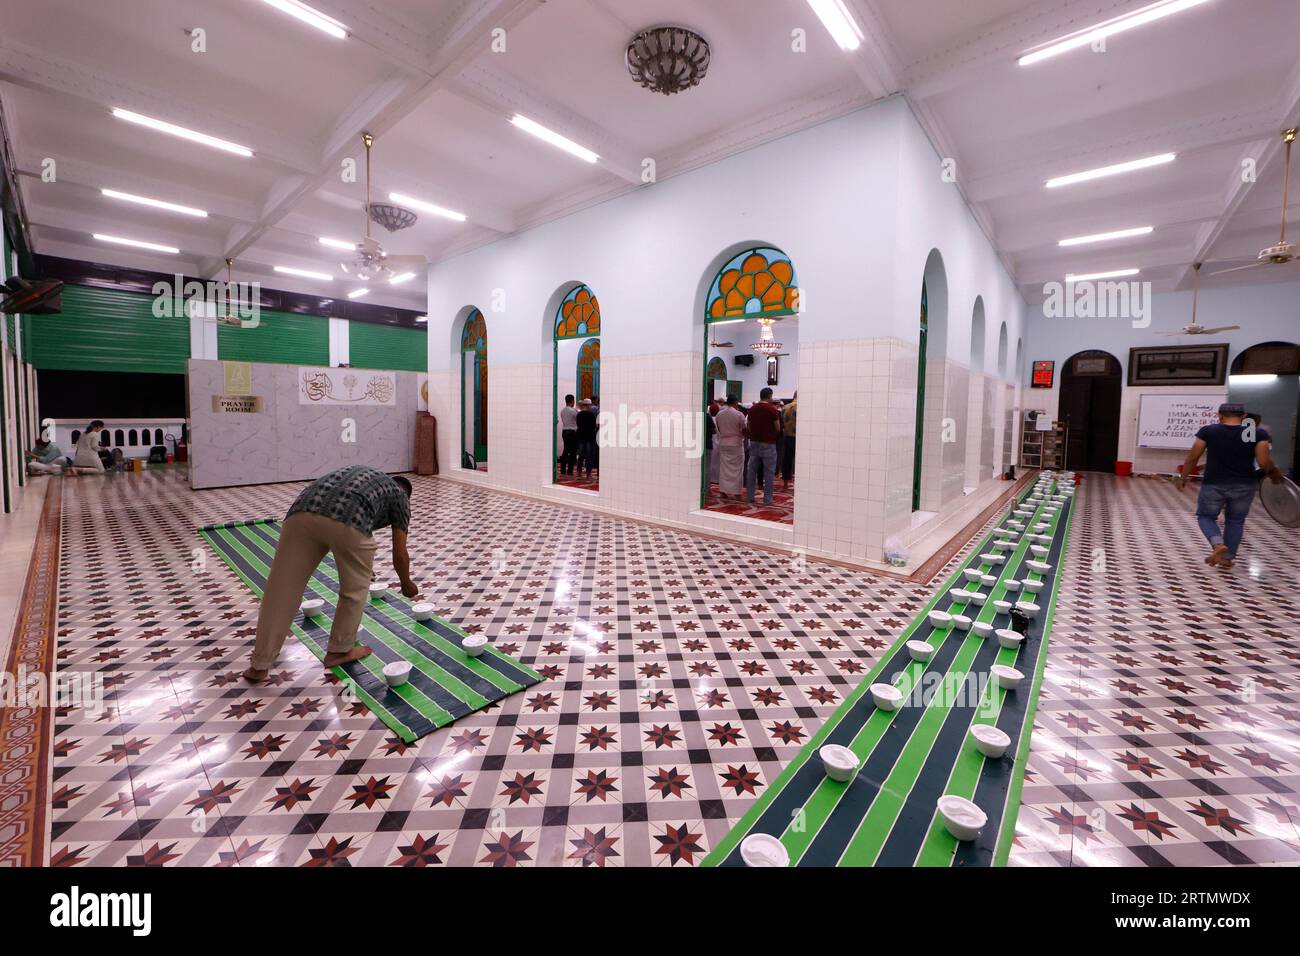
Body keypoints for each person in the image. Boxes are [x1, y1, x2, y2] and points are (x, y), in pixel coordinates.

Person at [244, 466, 418, 682]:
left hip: (301, 512)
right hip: (350, 518)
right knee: (355, 589)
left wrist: (359, 561)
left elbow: (353, 515)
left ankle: (259, 664)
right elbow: (399, 554)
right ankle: (339, 650)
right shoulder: (401, 496)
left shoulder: (368, 479)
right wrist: (406, 583)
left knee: (281, 590)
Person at [1175, 402, 1282, 569]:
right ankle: (1227, 558)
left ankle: (1218, 545)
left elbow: (1193, 457)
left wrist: (1183, 477)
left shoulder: (1209, 431)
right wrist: (1274, 472)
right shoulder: (1256, 433)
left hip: (1214, 483)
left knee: (1206, 516)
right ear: (1244, 416)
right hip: (1245, 484)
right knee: (1235, 521)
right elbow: (1263, 462)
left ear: (1219, 415)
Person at [745, 387, 782, 506]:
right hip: (768, 443)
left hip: (755, 443)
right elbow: (777, 428)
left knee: (752, 471)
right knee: (769, 473)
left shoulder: (752, 409)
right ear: (770, 396)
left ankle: (750, 497)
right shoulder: (772, 410)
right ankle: (767, 499)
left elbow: (749, 426)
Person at [714, 395, 747, 498]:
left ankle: (723, 491)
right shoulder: (739, 414)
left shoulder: (720, 414)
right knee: (737, 469)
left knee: (724, 468)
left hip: (724, 443)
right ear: (736, 402)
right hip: (736, 443)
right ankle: (737, 492)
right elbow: (744, 429)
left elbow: (718, 428)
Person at [575, 398, 598, 478]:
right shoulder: (591, 415)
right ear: (588, 405)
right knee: (589, 456)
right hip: (590, 437)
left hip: (581, 437)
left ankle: (579, 473)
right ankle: (588, 474)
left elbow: (578, 425)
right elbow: (594, 427)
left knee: (581, 455)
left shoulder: (579, 415)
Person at [559, 393, 579, 476]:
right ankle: (570, 470)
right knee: (573, 451)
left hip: (564, 431)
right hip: (572, 432)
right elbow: (578, 419)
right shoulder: (573, 411)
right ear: (572, 401)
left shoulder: (562, 411)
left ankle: (563, 469)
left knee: (566, 450)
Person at [781, 391, 797, 489]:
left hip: (787, 437)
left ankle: (785, 483)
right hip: (799, 439)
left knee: (787, 460)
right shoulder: (804, 407)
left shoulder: (785, 407)